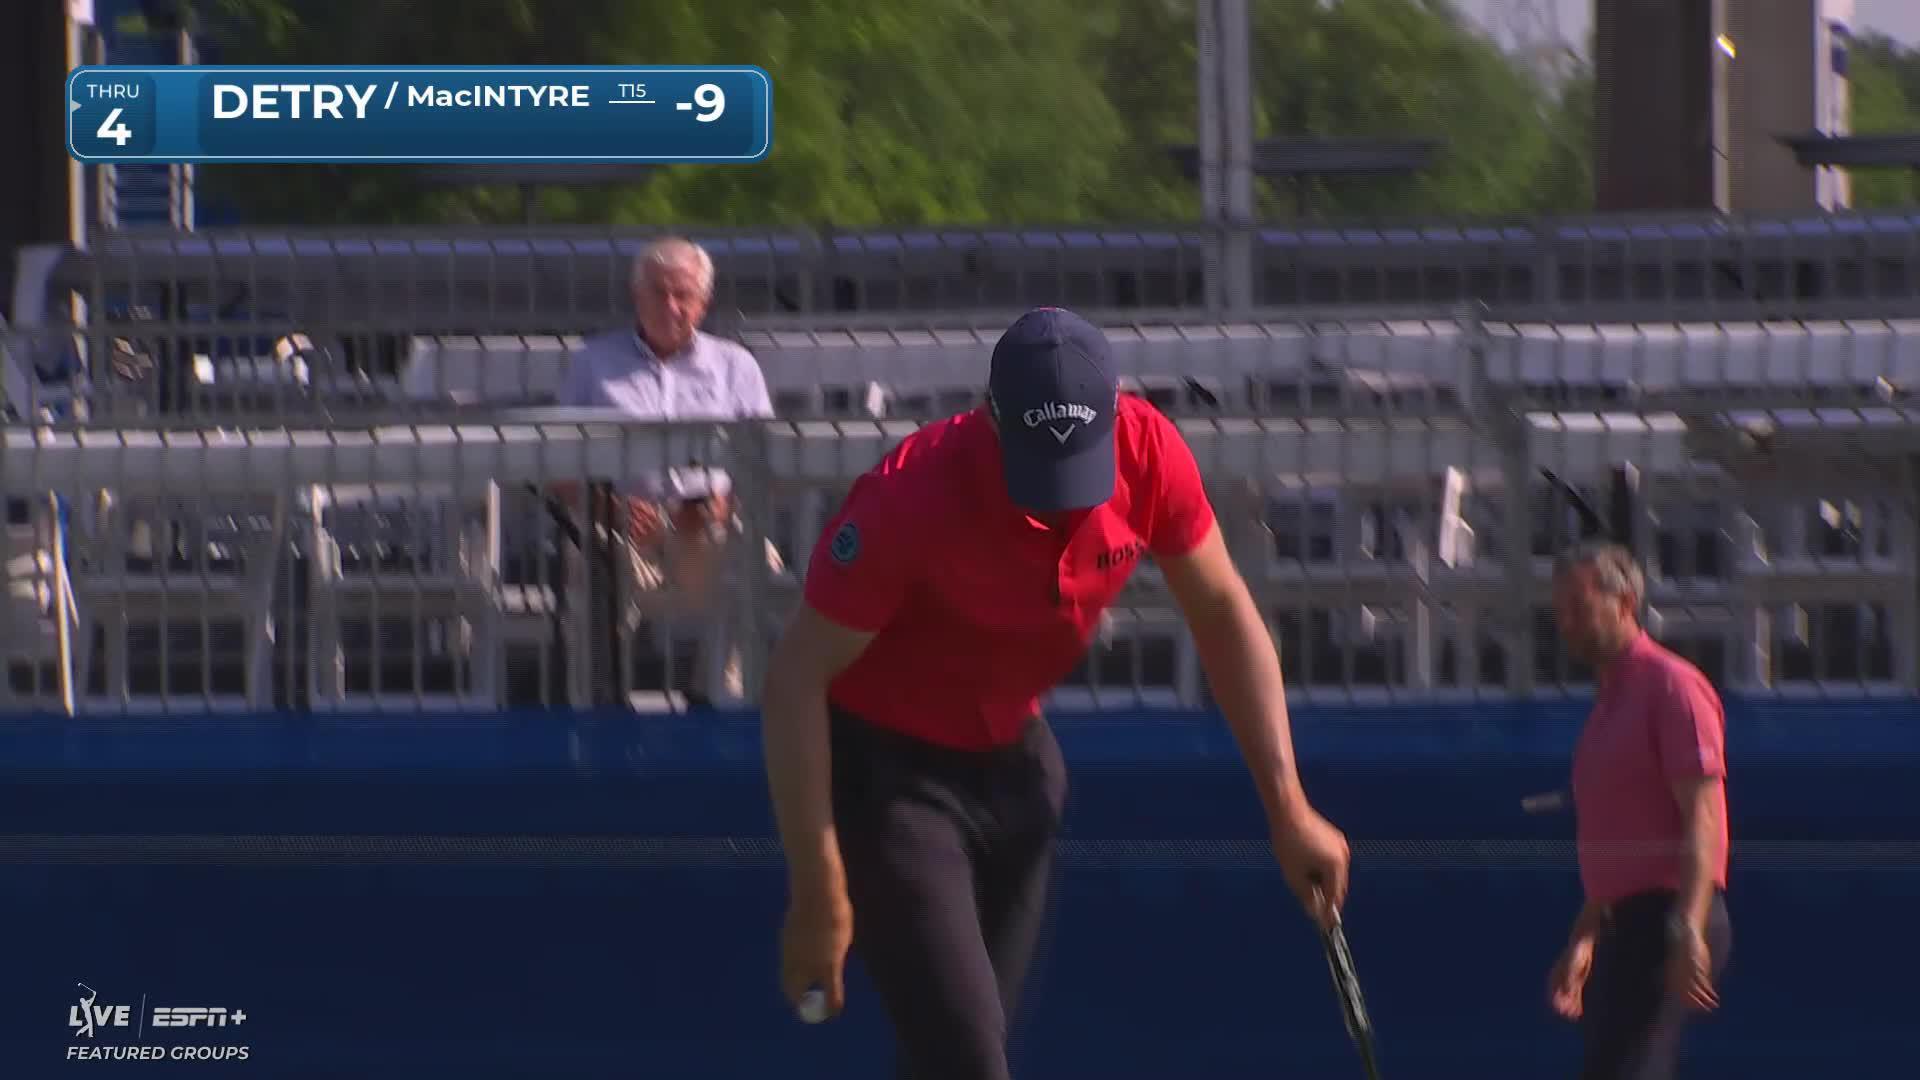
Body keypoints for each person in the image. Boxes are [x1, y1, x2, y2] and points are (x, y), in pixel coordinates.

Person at [759, 306, 1353, 1080]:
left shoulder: (1149, 451)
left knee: (958, 1058)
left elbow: (1222, 612)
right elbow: (794, 680)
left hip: (1018, 776)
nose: (1065, 501)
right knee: (968, 1062)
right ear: (992, 422)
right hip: (892, 783)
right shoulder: (909, 499)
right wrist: (818, 883)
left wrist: (1288, 807)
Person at [551, 236, 774, 704]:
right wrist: (607, 505)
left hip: (705, 530)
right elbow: (557, 464)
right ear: (637, 296)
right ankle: (599, 705)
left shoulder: (737, 367)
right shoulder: (593, 364)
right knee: (591, 564)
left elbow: (764, 465)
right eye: (658, 292)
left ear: (704, 302)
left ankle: (723, 696)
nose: (670, 306)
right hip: (622, 531)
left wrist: (719, 504)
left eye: (683, 294)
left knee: (762, 563)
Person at [1547, 541, 1732, 1080]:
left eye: (1579, 608)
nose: (1566, 625)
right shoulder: (1608, 708)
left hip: (1669, 915)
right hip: (1623, 926)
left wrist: (1688, 928)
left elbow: (1704, 815)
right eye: (1560, 612)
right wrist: (1584, 937)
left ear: (1625, 602)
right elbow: (1614, 847)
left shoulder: (1672, 686)